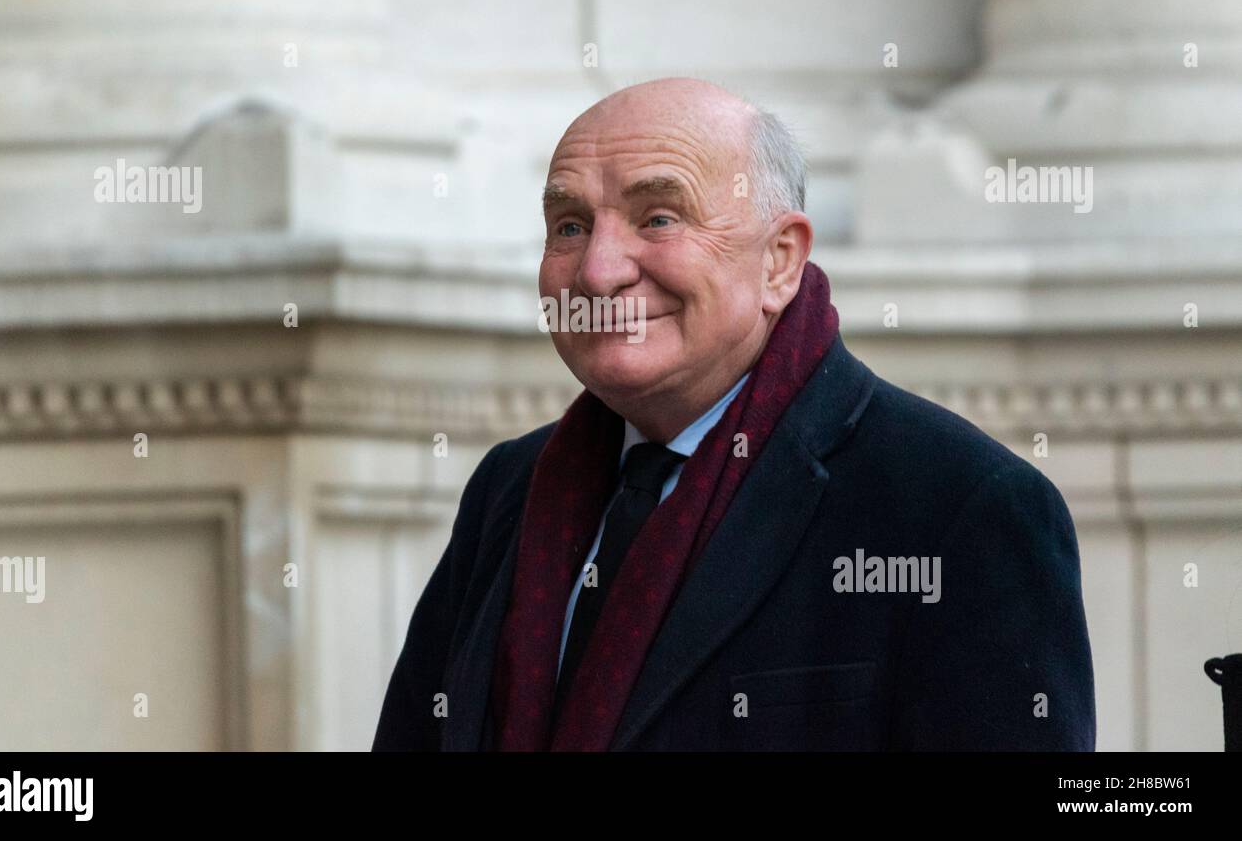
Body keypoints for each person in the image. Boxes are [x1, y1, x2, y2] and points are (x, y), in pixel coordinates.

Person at [372, 77, 1096, 751]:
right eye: (568, 226)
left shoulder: (958, 508)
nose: (597, 268)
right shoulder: (510, 486)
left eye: (658, 217)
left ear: (780, 260)